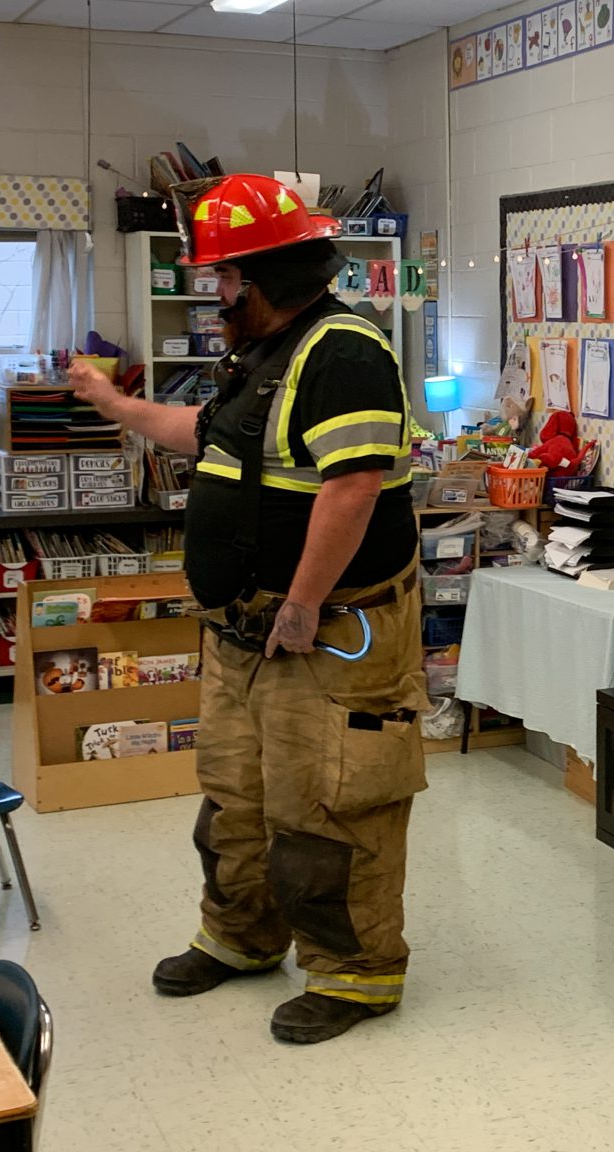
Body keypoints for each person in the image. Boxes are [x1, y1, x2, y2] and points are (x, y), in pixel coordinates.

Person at [70, 173, 428, 1045]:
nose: (215, 293)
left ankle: (356, 975)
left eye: (223, 279)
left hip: (328, 634)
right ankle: (240, 938)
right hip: (244, 633)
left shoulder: (344, 352)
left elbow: (351, 488)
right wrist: (116, 406)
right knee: (236, 797)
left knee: (329, 806)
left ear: (262, 278)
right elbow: (208, 435)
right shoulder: (267, 354)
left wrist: (301, 607)